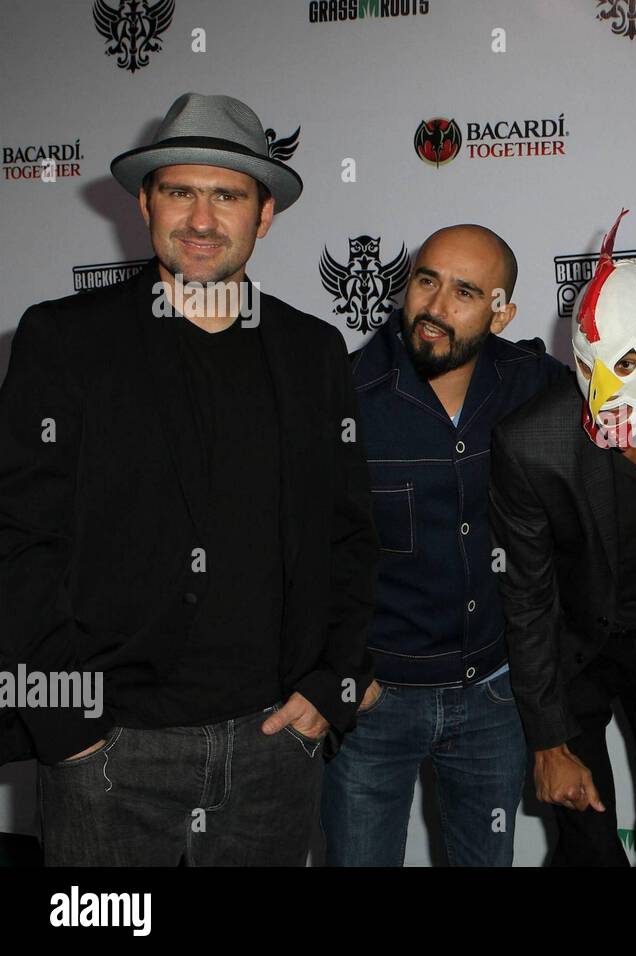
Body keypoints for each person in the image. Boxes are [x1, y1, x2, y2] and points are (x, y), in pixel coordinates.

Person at [0, 92, 378, 865]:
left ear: (263, 215)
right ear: (145, 202)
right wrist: (70, 727)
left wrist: (337, 684)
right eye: (180, 191)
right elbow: (19, 541)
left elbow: (350, 534)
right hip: (112, 751)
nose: (202, 221)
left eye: (227, 195)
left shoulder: (313, 352)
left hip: (277, 745)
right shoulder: (64, 341)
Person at [321, 224, 561, 867]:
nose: (435, 306)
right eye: (426, 280)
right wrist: (343, 675)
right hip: (375, 703)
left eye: (464, 291)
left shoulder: (529, 378)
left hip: (493, 696)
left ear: (501, 310)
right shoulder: (343, 394)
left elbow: (621, 388)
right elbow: (308, 551)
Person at [489, 211, 636, 865]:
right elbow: (528, 598)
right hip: (579, 651)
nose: (602, 391)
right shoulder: (532, 443)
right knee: (587, 845)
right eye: (586, 362)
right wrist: (548, 742)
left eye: (626, 361)